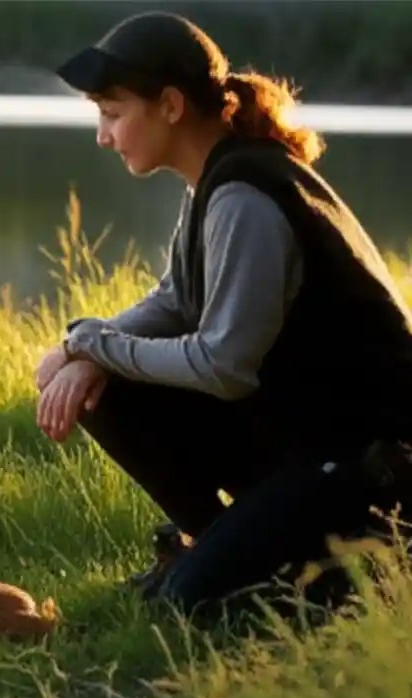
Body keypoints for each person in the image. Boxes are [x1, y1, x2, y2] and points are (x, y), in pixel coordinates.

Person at [35, 10, 412, 621]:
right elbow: (177, 300)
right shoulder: (213, 181)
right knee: (107, 393)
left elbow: (225, 364)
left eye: (112, 113)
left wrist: (94, 345)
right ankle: (226, 546)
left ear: (172, 106)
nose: (103, 136)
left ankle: (348, 571)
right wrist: (83, 352)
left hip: (367, 469)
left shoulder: (246, 198)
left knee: (194, 603)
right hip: (300, 437)